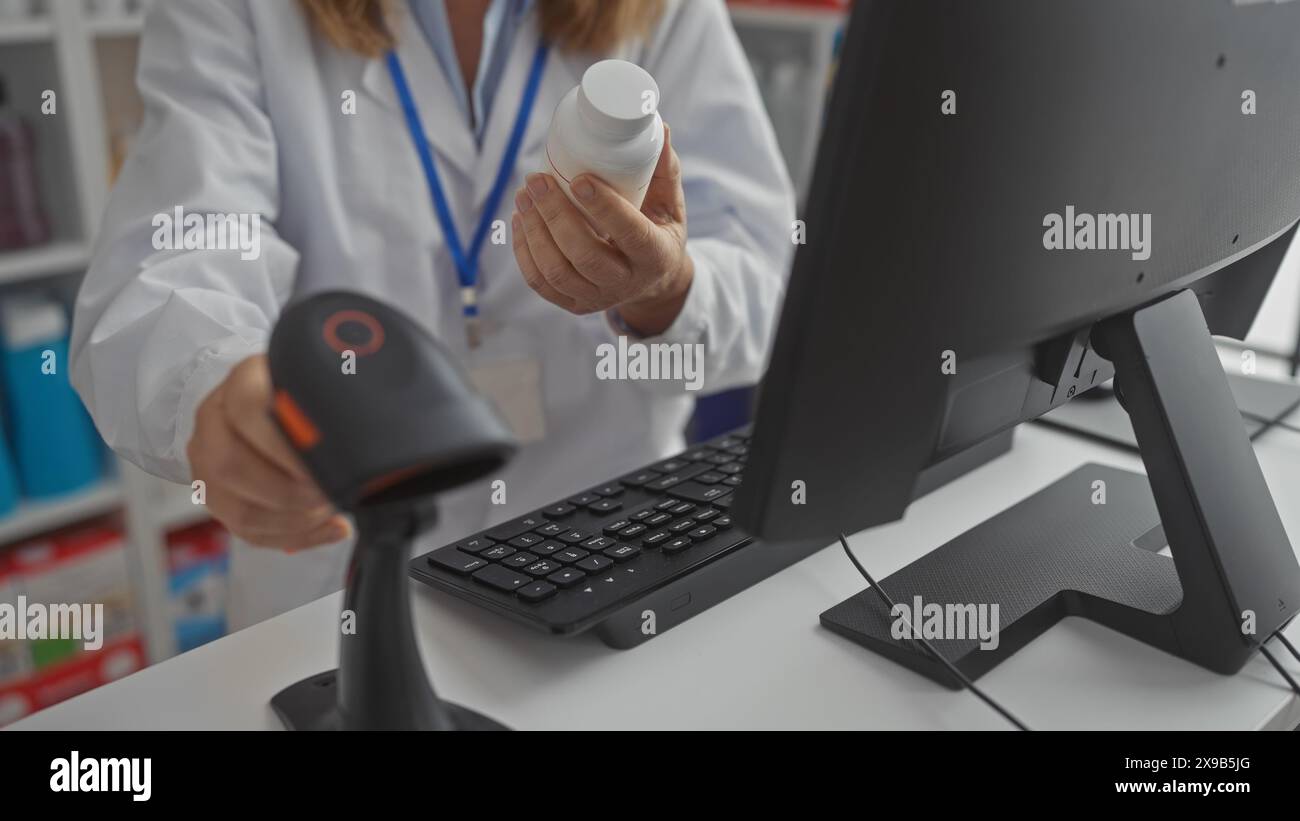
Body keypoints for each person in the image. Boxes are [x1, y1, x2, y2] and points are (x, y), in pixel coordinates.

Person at [70, 0, 795, 630]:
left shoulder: (665, 11)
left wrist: (664, 289)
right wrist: (213, 384)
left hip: (604, 553)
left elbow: (765, 277)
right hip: (339, 577)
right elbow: (176, 249)